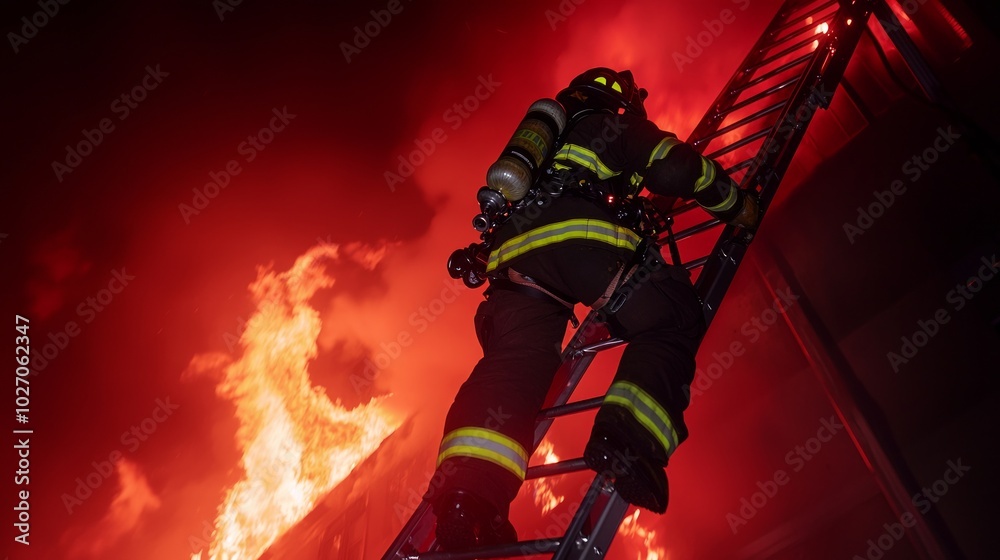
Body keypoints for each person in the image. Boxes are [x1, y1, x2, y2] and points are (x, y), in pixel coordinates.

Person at [428, 67, 760, 550]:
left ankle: (468, 496)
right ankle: (627, 443)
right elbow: (675, 169)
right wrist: (736, 204)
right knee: (673, 317)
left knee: (516, 364)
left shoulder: (544, 142)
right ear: (620, 104)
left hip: (514, 262)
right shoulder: (614, 127)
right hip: (580, 241)